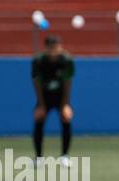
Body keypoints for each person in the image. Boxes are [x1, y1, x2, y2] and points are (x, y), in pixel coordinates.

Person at [31, 35, 74, 167]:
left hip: (61, 96)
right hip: (44, 96)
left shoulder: (67, 60)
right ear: (47, 49)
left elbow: (67, 83)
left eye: (57, 47)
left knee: (66, 119)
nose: (55, 51)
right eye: (52, 48)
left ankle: (64, 156)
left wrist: (65, 105)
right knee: (39, 120)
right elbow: (37, 84)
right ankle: (39, 158)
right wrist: (41, 105)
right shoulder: (38, 61)